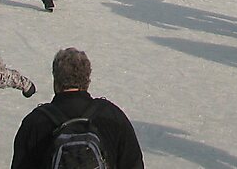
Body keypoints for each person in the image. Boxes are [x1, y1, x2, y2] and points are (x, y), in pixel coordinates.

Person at [11, 47, 144, 169]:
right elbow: (134, 163)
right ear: (87, 80)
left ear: (56, 81)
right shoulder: (112, 115)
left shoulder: (35, 122)